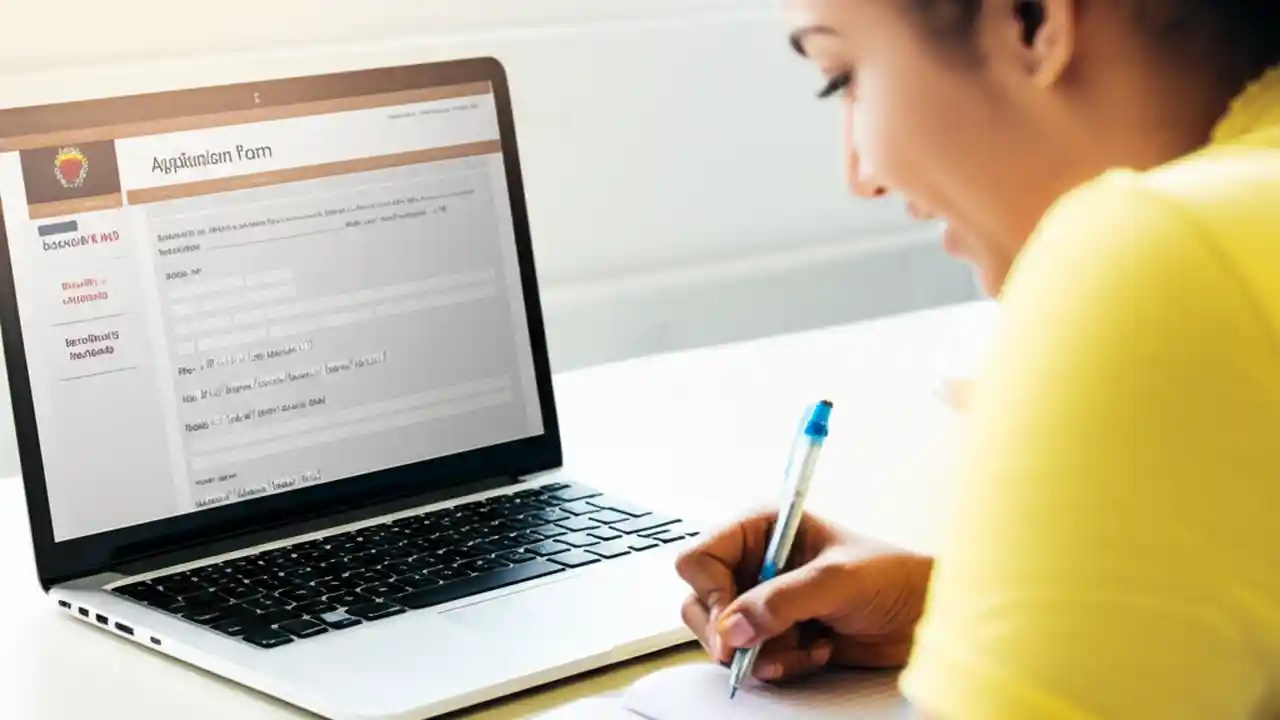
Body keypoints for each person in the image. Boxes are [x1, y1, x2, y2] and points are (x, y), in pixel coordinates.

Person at [675, 0, 1280, 717]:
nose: (860, 176)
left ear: (1031, 20)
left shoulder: (1164, 252)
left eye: (845, 76)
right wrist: (992, 600)